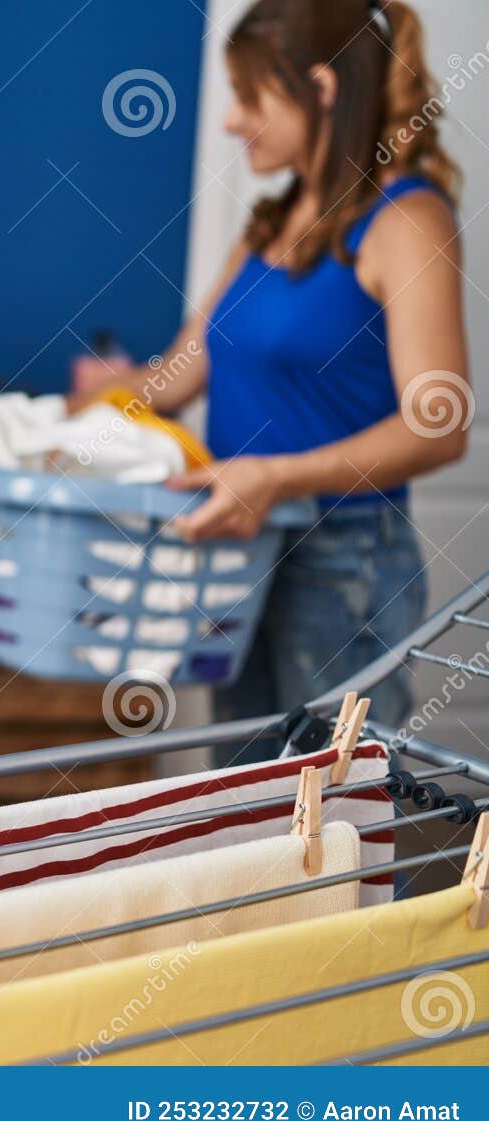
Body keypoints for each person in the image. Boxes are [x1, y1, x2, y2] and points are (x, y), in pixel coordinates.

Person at [74, 0, 470, 761]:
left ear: (320, 88)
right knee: (248, 807)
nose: (230, 121)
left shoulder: (405, 221)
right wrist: (58, 408)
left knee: (332, 817)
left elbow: (438, 423)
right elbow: (176, 376)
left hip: (342, 563)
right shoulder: (267, 230)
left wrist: (276, 478)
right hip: (245, 552)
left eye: (251, 97)